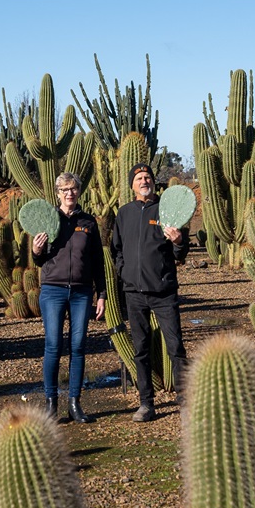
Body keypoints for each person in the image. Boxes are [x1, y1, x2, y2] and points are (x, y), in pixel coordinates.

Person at [110, 162, 188, 422]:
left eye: (148, 177)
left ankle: (186, 401)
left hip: (163, 290)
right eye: (139, 178)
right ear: (132, 185)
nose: (144, 181)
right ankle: (146, 404)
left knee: (175, 346)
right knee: (140, 349)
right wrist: (124, 272)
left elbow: (181, 251)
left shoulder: (167, 210)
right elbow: (116, 250)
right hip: (134, 292)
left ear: (154, 182)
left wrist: (178, 242)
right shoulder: (124, 214)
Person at [31, 171, 107, 423]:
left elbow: (98, 260)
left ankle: (74, 404)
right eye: (64, 189)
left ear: (79, 191)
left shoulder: (88, 222)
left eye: (73, 189)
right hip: (52, 289)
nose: (69, 193)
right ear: (58, 193)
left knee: (78, 346)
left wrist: (102, 294)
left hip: (82, 291)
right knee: (53, 345)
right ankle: (51, 404)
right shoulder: (47, 218)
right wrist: (35, 250)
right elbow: (39, 260)